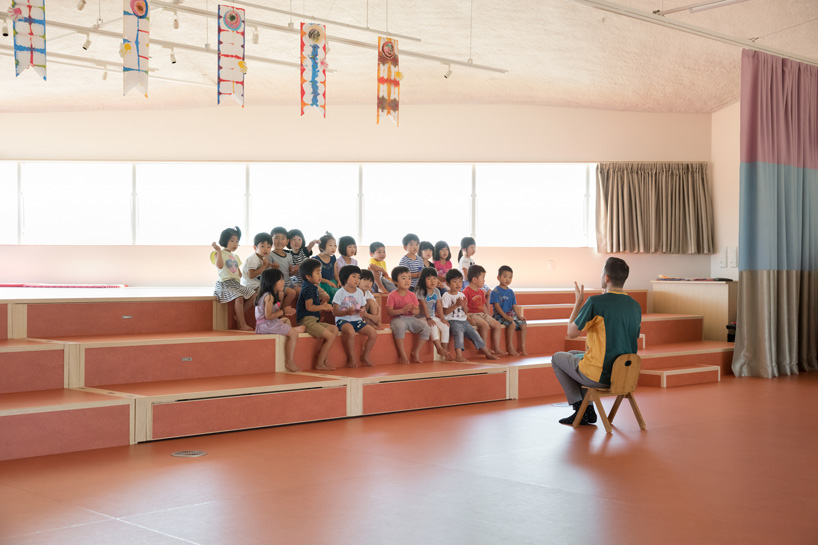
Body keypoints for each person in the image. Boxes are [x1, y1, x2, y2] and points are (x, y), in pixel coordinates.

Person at [552, 257, 642, 426]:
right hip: (624, 376)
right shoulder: (635, 306)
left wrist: (578, 303)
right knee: (572, 354)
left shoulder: (595, 302)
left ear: (606, 277)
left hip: (599, 376)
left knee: (557, 358)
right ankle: (589, 410)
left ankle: (581, 409)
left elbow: (571, 333)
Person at [255, 269, 306, 373]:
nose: (283, 282)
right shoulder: (269, 296)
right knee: (294, 334)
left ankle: (289, 329)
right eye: (280, 280)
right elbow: (268, 316)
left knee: (286, 320)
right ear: (271, 281)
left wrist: (285, 313)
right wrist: (283, 311)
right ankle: (289, 361)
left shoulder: (267, 294)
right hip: (266, 324)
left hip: (265, 324)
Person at [442, 269, 498, 362]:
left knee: (475, 334)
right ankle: (458, 355)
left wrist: (464, 306)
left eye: (460, 281)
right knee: (459, 333)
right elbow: (445, 312)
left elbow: (466, 311)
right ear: (448, 284)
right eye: (454, 282)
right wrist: (456, 305)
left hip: (464, 320)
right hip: (453, 320)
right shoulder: (446, 296)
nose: (458, 284)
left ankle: (487, 353)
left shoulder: (461, 294)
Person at [296, 258, 339, 371]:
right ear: (308, 277)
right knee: (330, 336)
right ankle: (320, 362)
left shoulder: (313, 286)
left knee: (334, 330)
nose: (320, 275)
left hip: (313, 320)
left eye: (320, 272)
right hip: (306, 321)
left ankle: (323, 357)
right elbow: (309, 307)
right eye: (317, 273)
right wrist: (323, 307)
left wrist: (323, 306)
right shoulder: (308, 288)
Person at [332, 265, 379, 368]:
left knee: (373, 334)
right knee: (350, 332)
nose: (357, 280)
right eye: (354, 276)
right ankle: (351, 358)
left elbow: (362, 306)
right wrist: (346, 313)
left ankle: (365, 356)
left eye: (358, 277)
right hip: (343, 320)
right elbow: (335, 312)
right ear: (345, 278)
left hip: (357, 320)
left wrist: (362, 311)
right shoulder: (340, 293)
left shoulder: (359, 292)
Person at [211, 226, 255, 331]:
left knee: (253, 294)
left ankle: (238, 315)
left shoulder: (235, 256)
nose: (235, 244)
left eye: (237, 241)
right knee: (239, 297)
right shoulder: (218, 253)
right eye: (232, 241)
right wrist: (218, 250)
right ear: (225, 240)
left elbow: (239, 274)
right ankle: (242, 324)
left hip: (236, 283)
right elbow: (220, 266)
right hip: (225, 283)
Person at [386, 266, 430, 363]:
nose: (407, 281)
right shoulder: (392, 295)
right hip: (398, 318)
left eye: (409, 278)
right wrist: (402, 310)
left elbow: (417, 311)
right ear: (395, 281)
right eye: (403, 278)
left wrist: (414, 311)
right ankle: (402, 354)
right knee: (400, 326)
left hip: (411, 318)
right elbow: (389, 311)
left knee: (426, 328)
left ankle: (416, 352)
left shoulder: (412, 295)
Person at [463, 265, 504, 355]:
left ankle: (496, 348)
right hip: (472, 314)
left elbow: (483, 306)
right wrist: (469, 319)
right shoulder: (466, 292)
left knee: (497, 324)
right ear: (474, 280)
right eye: (483, 278)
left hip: (481, 314)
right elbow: (463, 309)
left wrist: (489, 316)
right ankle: (483, 347)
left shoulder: (481, 292)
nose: (484, 281)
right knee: (484, 324)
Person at [490, 265, 528, 357]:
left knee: (523, 324)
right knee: (512, 324)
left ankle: (522, 346)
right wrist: (505, 316)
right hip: (500, 316)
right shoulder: (495, 291)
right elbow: (497, 307)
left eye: (510, 277)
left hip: (510, 315)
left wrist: (519, 316)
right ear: (498, 277)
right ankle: (510, 346)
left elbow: (514, 306)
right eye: (505, 276)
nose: (507, 279)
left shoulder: (511, 292)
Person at [415, 267, 451, 360]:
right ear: (423, 280)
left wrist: (442, 318)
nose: (432, 281)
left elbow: (439, 305)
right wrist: (428, 318)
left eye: (434, 278)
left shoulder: (436, 291)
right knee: (433, 326)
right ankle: (439, 348)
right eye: (429, 278)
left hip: (432, 316)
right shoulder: (420, 291)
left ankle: (445, 350)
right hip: (421, 317)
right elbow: (423, 306)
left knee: (446, 326)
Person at [268, 226, 298, 309]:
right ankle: (282, 313)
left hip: (288, 283)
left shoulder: (289, 256)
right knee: (292, 293)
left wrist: (294, 271)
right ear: (271, 239)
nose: (280, 241)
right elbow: (267, 274)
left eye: (283, 238)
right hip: (277, 285)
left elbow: (290, 273)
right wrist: (274, 270)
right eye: (276, 238)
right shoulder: (269, 255)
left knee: (302, 291)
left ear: (287, 241)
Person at [313, 232, 341, 299]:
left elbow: (335, 275)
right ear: (322, 247)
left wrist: (339, 281)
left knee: (342, 290)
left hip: (332, 281)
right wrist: (328, 281)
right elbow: (316, 277)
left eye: (335, 246)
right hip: (322, 283)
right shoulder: (316, 259)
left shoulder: (333, 259)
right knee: (333, 291)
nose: (333, 248)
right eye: (330, 245)